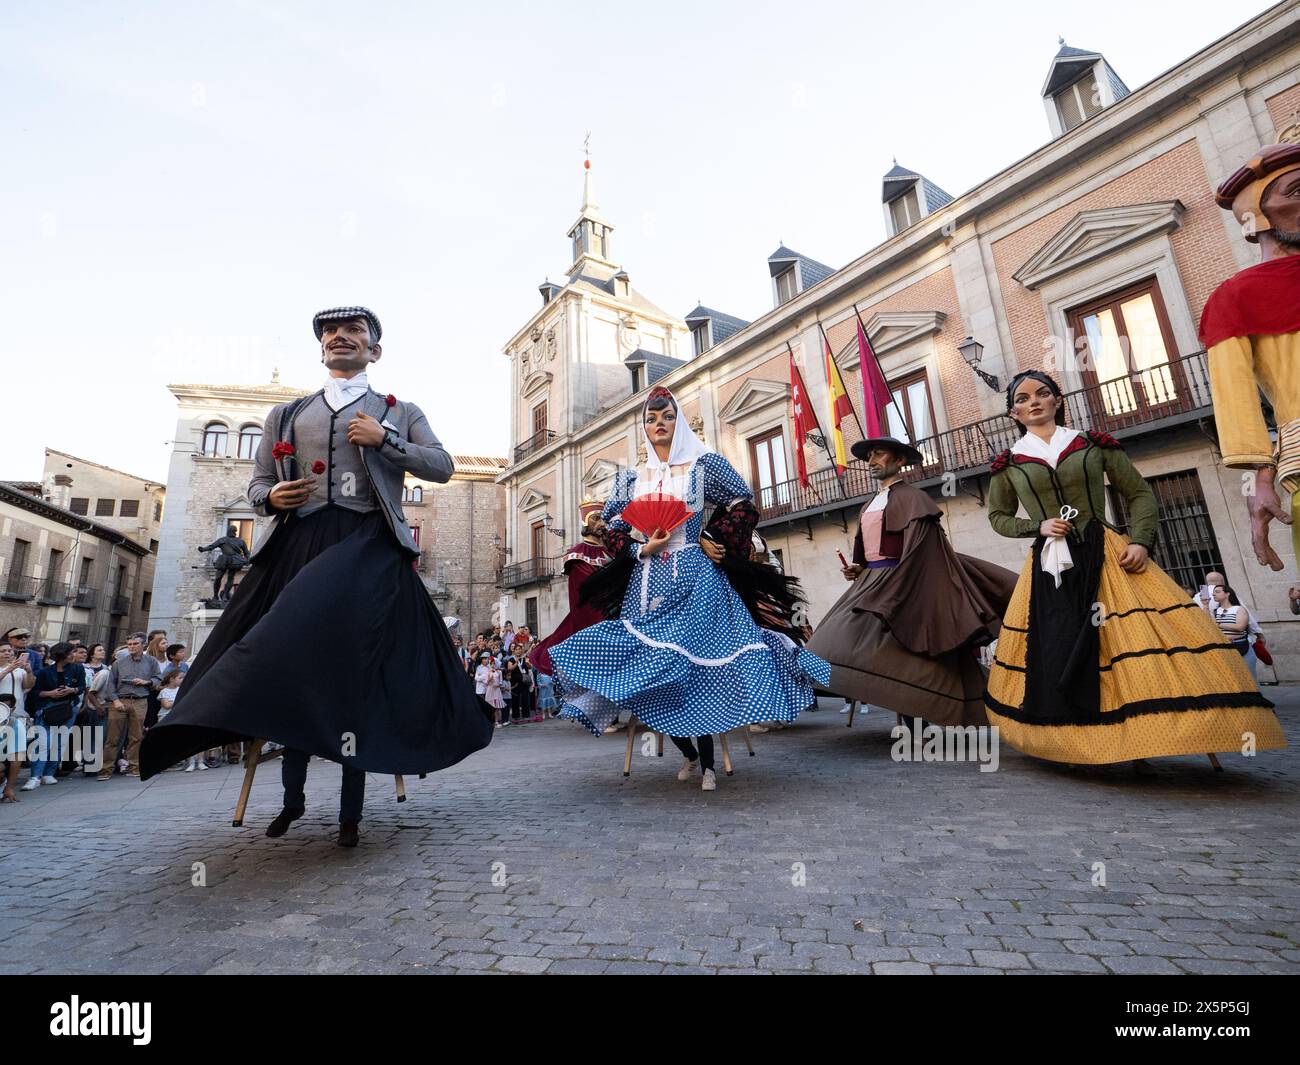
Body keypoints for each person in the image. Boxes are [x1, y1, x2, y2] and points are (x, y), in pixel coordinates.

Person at [139, 306, 492, 847]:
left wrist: (385, 440)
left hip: (366, 543)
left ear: (374, 349)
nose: (338, 338)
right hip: (300, 542)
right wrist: (272, 497)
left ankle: (351, 814)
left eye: (353, 332)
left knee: (349, 676)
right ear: (322, 348)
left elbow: (441, 466)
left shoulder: (400, 409)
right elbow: (257, 485)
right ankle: (292, 801)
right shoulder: (286, 414)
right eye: (329, 333)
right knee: (292, 662)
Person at [983, 369, 1284, 765]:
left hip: (1104, 550)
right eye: (1022, 399)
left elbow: (1139, 493)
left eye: (1043, 393)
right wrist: (1034, 526)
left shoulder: (1093, 445)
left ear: (1058, 400)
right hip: (1049, 564)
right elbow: (998, 517)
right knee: (1053, 643)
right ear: (1014, 413)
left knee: (1128, 642)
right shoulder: (1009, 465)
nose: (1033, 402)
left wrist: (1141, 540)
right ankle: (1070, 741)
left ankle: (1141, 735)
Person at [549, 385, 831, 791]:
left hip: (698, 579)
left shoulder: (704, 466)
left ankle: (711, 764)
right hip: (646, 582)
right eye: (650, 418)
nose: (658, 424)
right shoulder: (631, 479)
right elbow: (609, 526)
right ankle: (690, 754)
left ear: (678, 421)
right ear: (644, 427)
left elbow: (743, 502)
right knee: (652, 670)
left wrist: (714, 536)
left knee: (698, 669)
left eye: (666, 416)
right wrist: (640, 546)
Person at [806, 436, 1016, 735]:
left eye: (879, 454)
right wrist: (860, 567)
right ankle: (897, 705)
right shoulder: (869, 503)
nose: (872, 461)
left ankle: (918, 718)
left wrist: (900, 583)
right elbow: (870, 547)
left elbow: (921, 548)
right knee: (834, 639)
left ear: (900, 461)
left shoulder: (914, 499)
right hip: (871, 580)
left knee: (908, 653)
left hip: (903, 580)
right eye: (869, 457)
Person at [1203, 142, 1300, 571]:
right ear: (1257, 215)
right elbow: (1236, 401)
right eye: (1296, 190)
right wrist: (1260, 481)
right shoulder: (1233, 297)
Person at [529, 499, 611, 677]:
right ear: (585, 522)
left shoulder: (611, 550)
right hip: (596, 620)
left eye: (603, 519)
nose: (602, 524)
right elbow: (588, 592)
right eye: (596, 519)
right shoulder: (577, 555)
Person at [99, 635, 161, 779]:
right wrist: (115, 700)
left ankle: (134, 767)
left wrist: (147, 682)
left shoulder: (151, 661)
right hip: (120, 700)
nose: (132, 646)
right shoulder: (119, 663)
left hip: (140, 700)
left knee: (136, 736)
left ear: (143, 645)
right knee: (112, 738)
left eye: (135, 644)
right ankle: (105, 769)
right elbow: (110, 684)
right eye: (129, 644)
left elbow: (158, 678)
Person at [26, 643, 85, 790]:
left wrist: (72, 689)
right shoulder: (44, 672)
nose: (74, 655)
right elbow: (34, 693)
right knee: (43, 743)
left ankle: (49, 773)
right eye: (71, 653)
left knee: (60, 742)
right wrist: (50, 693)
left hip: (68, 709)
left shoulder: (78, 669)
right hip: (47, 709)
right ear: (61, 655)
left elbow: (82, 687)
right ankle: (35, 776)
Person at [0, 645, 34, 802]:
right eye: (3, 651)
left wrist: (28, 671)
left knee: (16, 753)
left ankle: (9, 787)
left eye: (10, 651)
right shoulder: (8, 669)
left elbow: (29, 685)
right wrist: (7, 670)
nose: (7, 653)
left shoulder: (19, 670)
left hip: (16, 715)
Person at [198, 525, 252, 601]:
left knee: (230, 577)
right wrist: (203, 549)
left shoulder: (240, 541)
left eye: (233, 530)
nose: (231, 532)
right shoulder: (222, 540)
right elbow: (212, 546)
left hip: (235, 560)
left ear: (234, 532)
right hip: (224, 559)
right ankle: (215, 596)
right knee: (218, 578)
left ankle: (225, 595)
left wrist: (248, 559)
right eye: (231, 530)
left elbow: (246, 552)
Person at [1211, 585, 1251, 656]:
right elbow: (1211, 626)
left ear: (1227, 594)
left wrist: (1218, 625)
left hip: (1238, 645)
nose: (1213, 594)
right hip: (1222, 646)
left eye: (1217, 592)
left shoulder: (1239, 609)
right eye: (1213, 593)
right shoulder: (1215, 611)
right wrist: (1205, 605)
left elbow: (1240, 627)